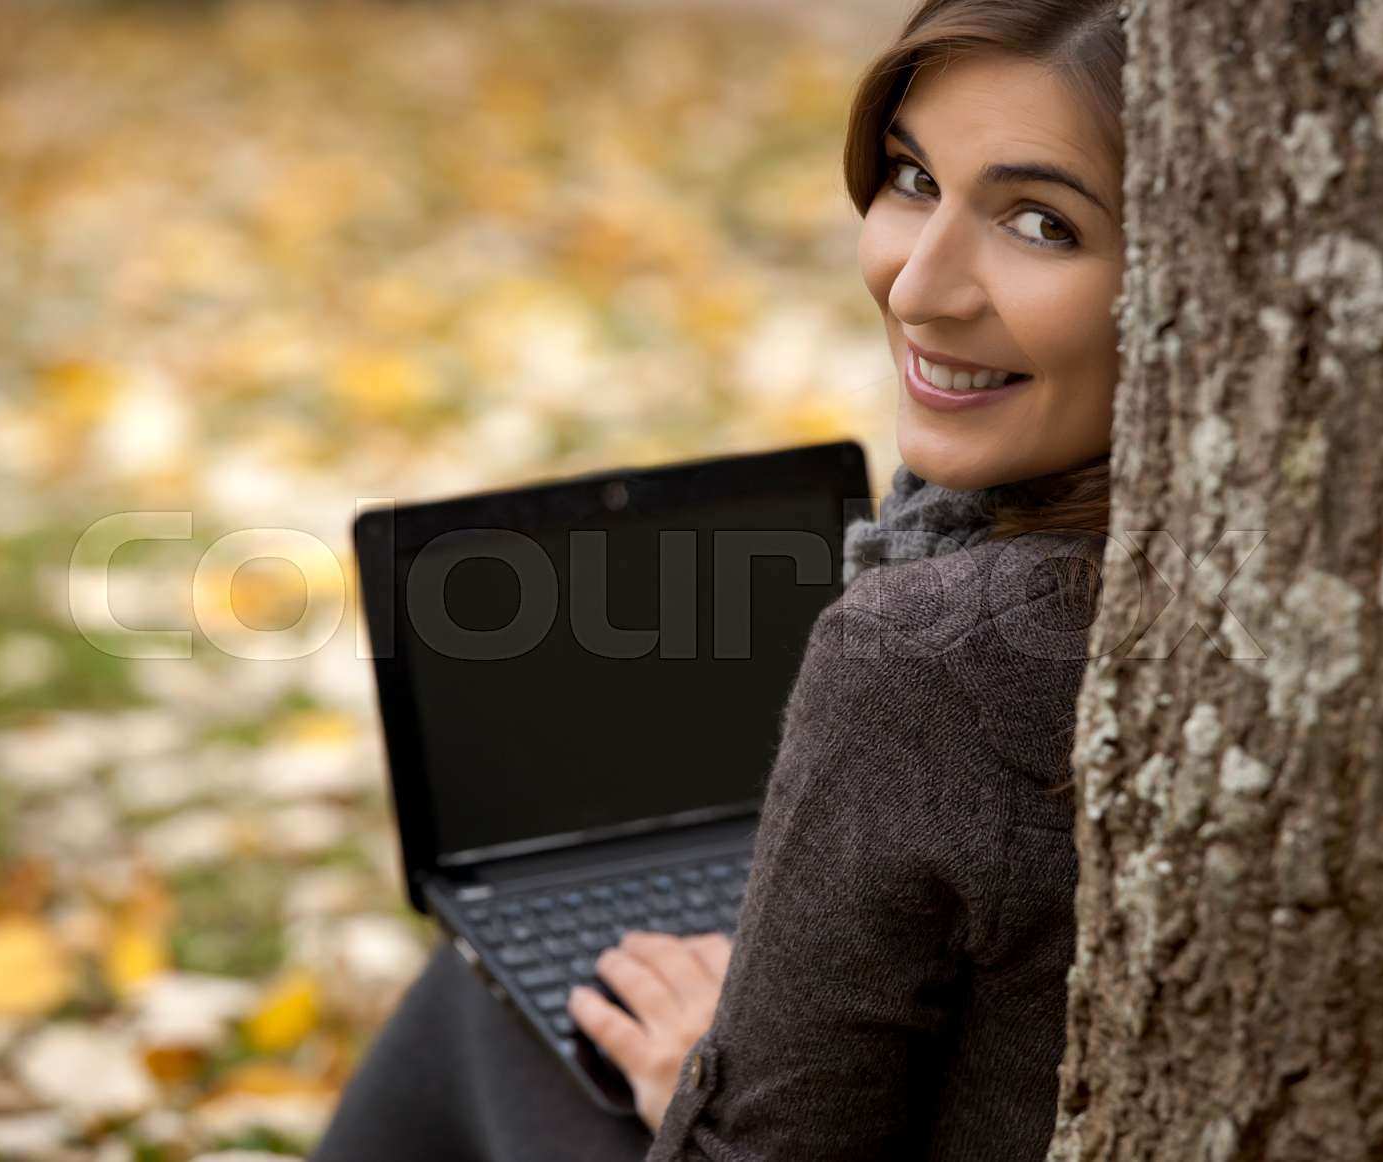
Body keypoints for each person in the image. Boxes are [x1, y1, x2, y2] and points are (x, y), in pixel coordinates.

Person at [312, 0, 1125, 1157]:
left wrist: (701, 1054)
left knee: (491, 1006)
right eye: (909, 178)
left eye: (1041, 223)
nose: (915, 286)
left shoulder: (932, 649)